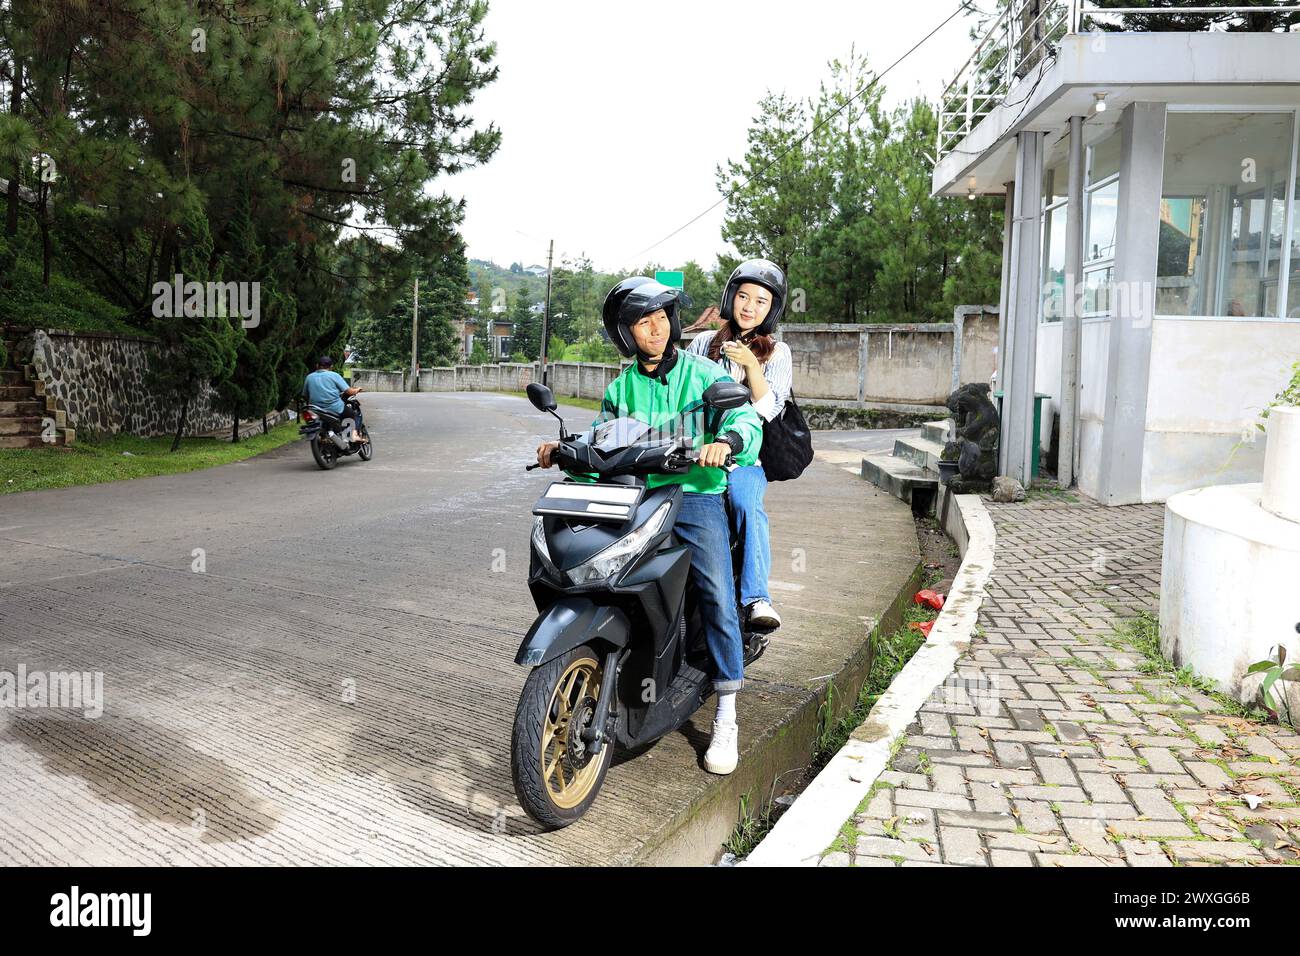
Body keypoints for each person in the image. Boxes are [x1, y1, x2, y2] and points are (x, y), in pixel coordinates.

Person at [535, 277, 763, 775]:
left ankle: (727, 710)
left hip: (695, 496)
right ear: (626, 333)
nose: (655, 328)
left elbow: (747, 421)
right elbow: (602, 445)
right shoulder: (620, 388)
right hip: (633, 497)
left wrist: (725, 443)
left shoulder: (704, 374)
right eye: (643, 321)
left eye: (661, 316)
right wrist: (564, 451)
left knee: (718, 595)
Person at [688, 259, 792, 631]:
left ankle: (756, 598)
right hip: (695, 452)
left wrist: (752, 366)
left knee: (746, 503)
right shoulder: (703, 342)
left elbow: (768, 409)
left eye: (761, 301)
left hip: (744, 458)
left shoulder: (777, 353)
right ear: (730, 298)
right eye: (744, 297)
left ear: (771, 310)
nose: (750, 307)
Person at [303, 355, 368, 443]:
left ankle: (327, 437)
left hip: (314, 409)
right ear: (331, 367)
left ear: (317, 365)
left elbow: (305, 395)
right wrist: (357, 389)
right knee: (351, 413)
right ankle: (353, 435)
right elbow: (349, 391)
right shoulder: (334, 375)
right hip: (333, 408)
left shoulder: (309, 377)